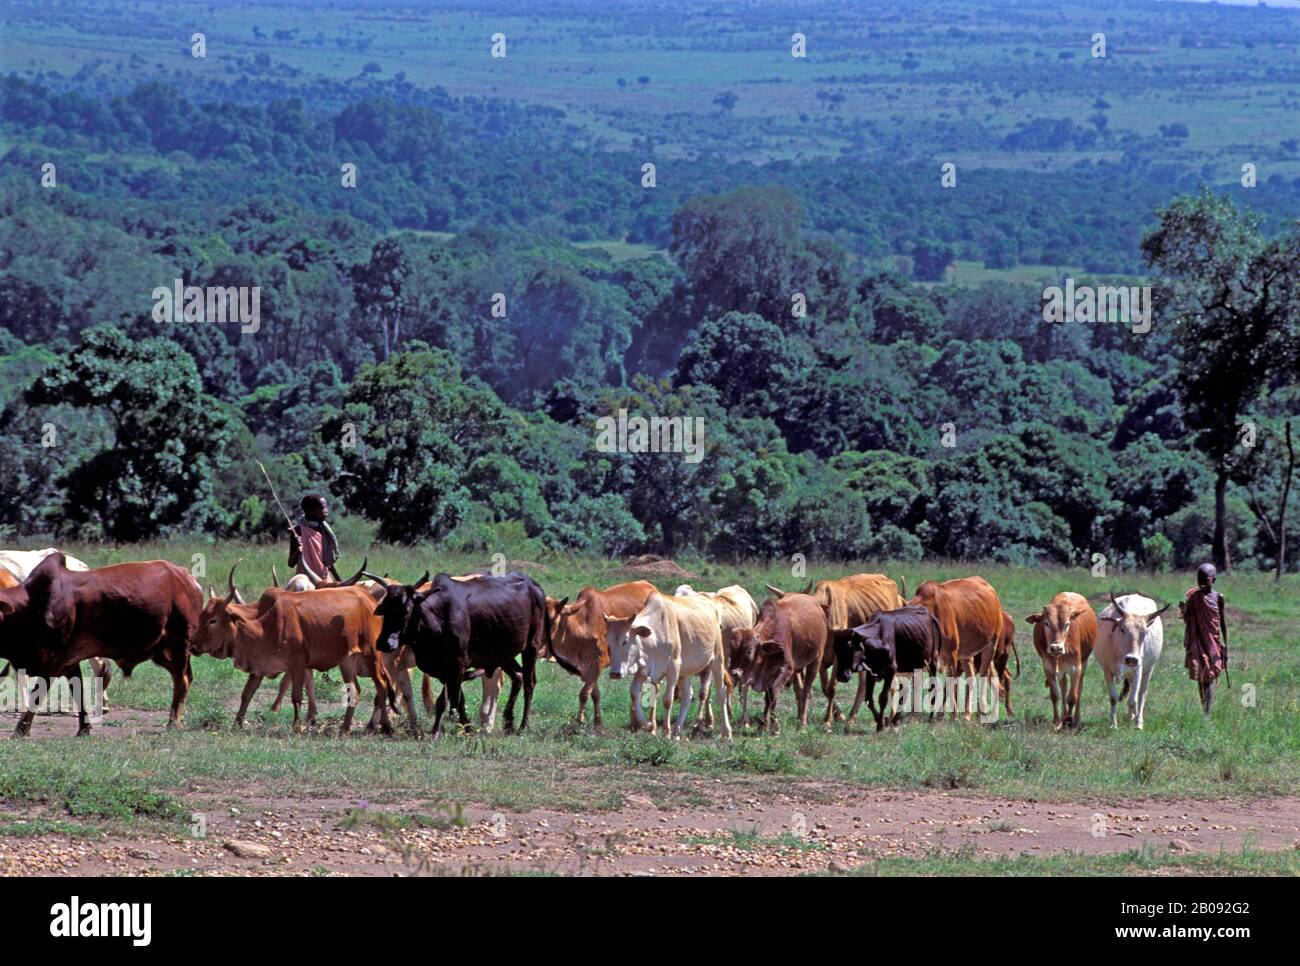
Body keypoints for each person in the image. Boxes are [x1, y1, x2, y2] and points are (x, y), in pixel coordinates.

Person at [1181, 562, 1227, 715]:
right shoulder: (1193, 597)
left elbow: (1222, 621)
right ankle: (1205, 710)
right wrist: (1184, 611)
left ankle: (1207, 711)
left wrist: (1225, 644)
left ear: (1213, 580)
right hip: (1197, 642)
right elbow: (1189, 619)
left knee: (1209, 677)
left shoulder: (1218, 597)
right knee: (1203, 676)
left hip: (1213, 643)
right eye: (1199, 579)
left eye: (1205, 579)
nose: (1201, 583)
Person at [288, 494, 341, 583]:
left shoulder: (324, 530)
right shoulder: (298, 531)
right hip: (305, 583)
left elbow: (327, 561)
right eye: (323, 508)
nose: (327, 511)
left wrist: (338, 580)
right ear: (311, 510)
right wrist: (298, 551)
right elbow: (291, 563)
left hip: (324, 580)